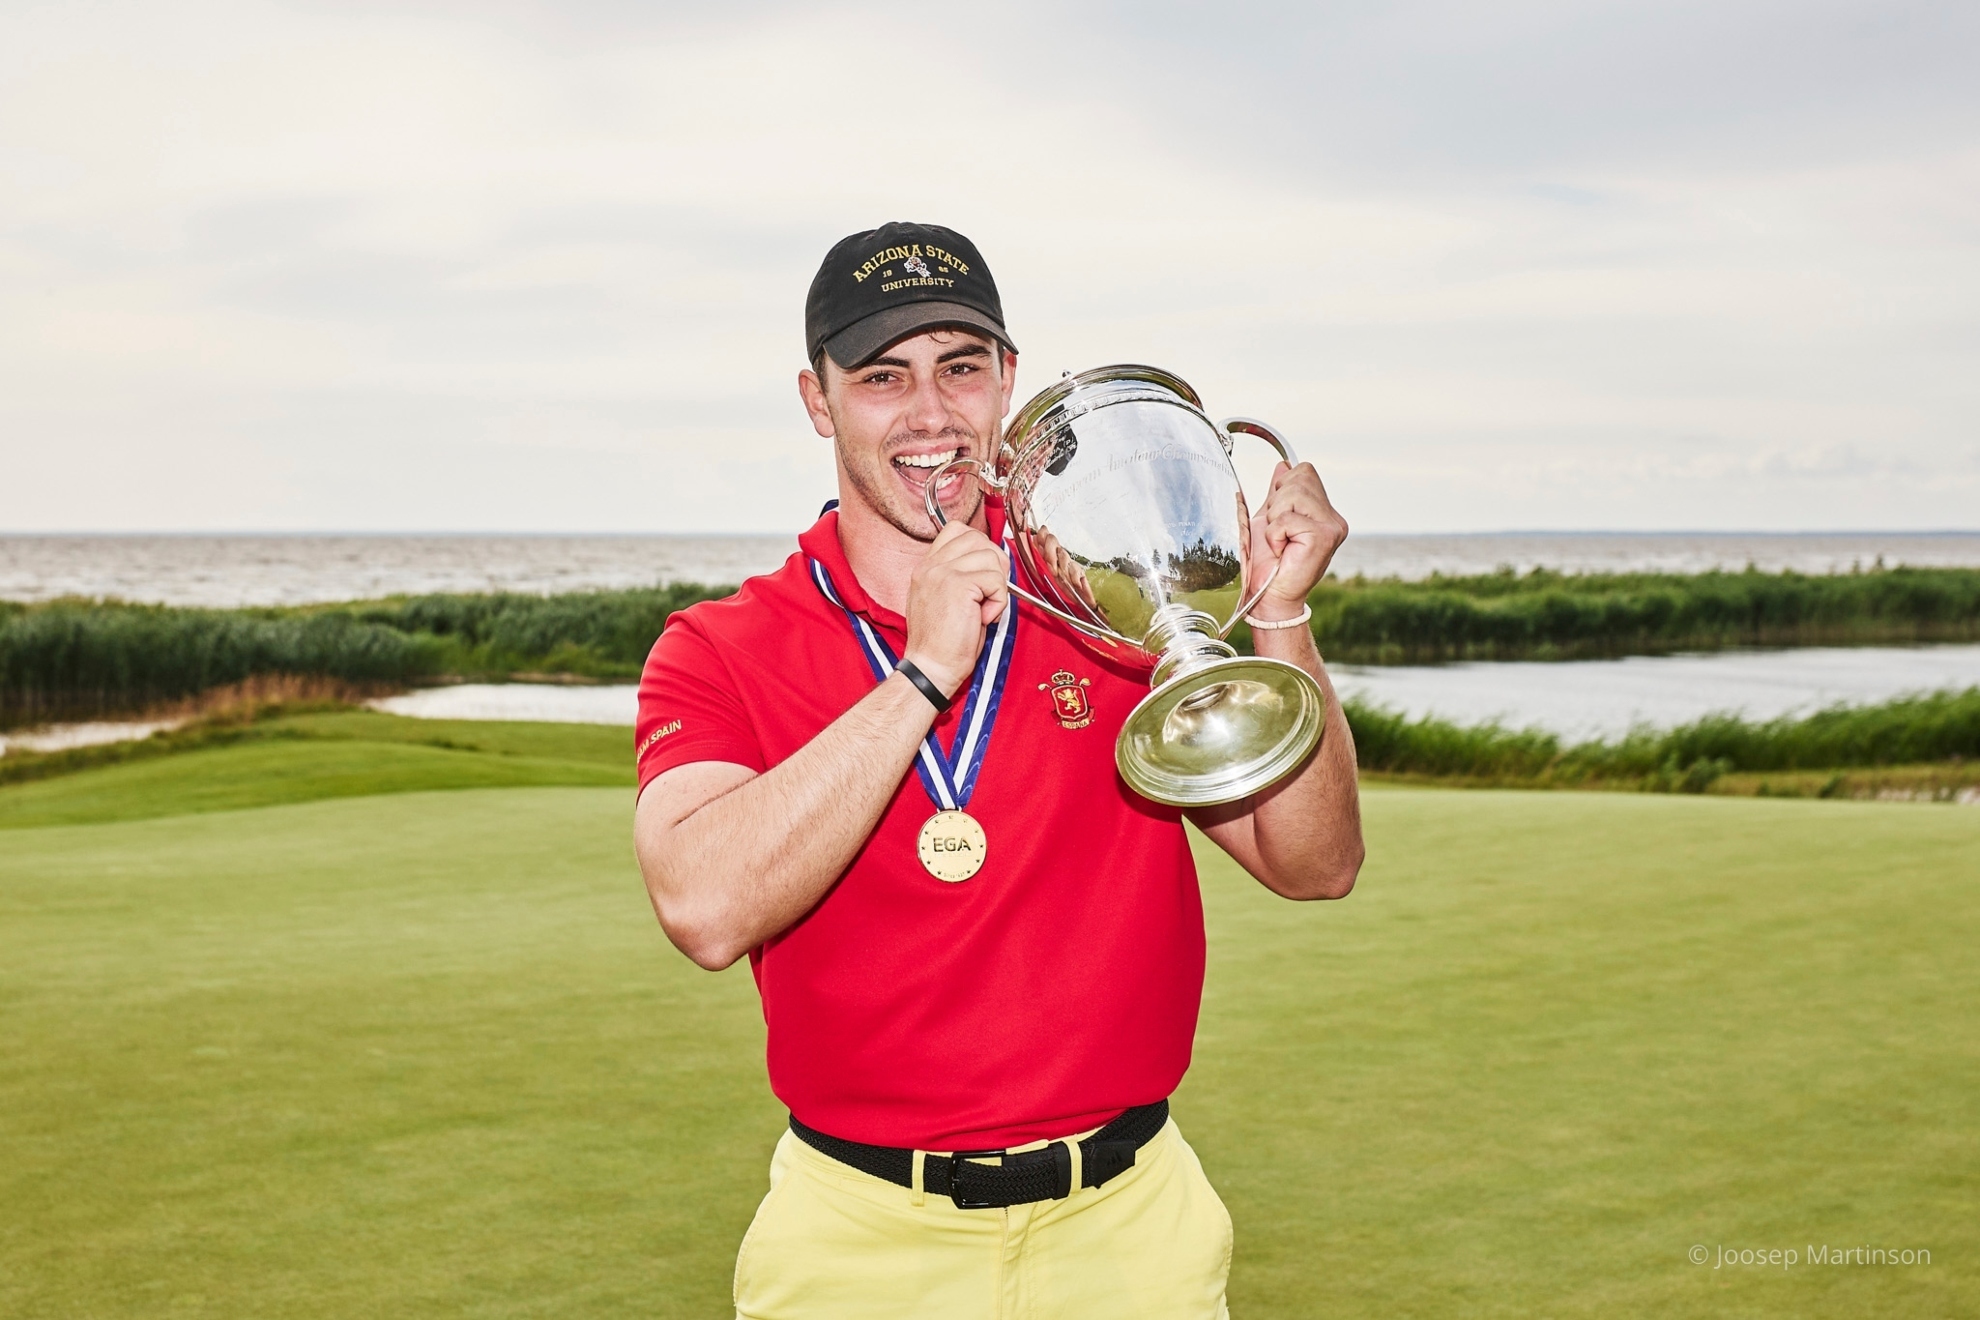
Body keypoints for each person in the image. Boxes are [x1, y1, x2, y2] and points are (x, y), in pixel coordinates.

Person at [633, 221, 1364, 1320]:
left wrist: (1279, 613)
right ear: (817, 401)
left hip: (1129, 1228)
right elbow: (702, 908)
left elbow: (1314, 863)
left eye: (961, 368)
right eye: (883, 377)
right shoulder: (721, 645)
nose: (931, 414)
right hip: (857, 1238)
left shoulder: (1101, 601)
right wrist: (922, 673)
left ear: (1007, 381)